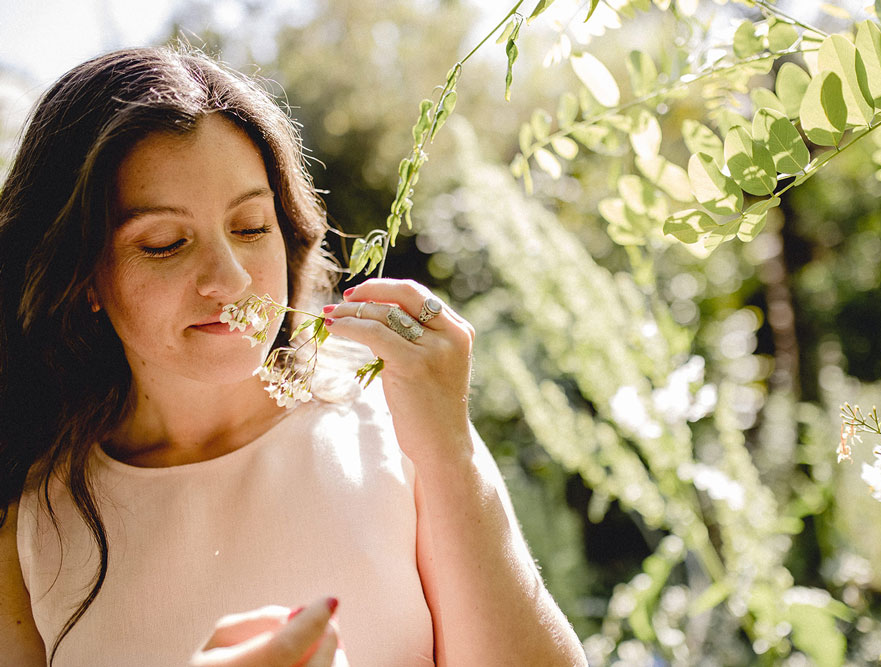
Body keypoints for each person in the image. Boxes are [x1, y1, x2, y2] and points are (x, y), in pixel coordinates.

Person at [0, 46, 587, 667]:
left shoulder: (399, 420)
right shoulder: (31, 521)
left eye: (252, 227)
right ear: (81, 277)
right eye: (165, 243)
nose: (228, 279)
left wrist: (451, 451)